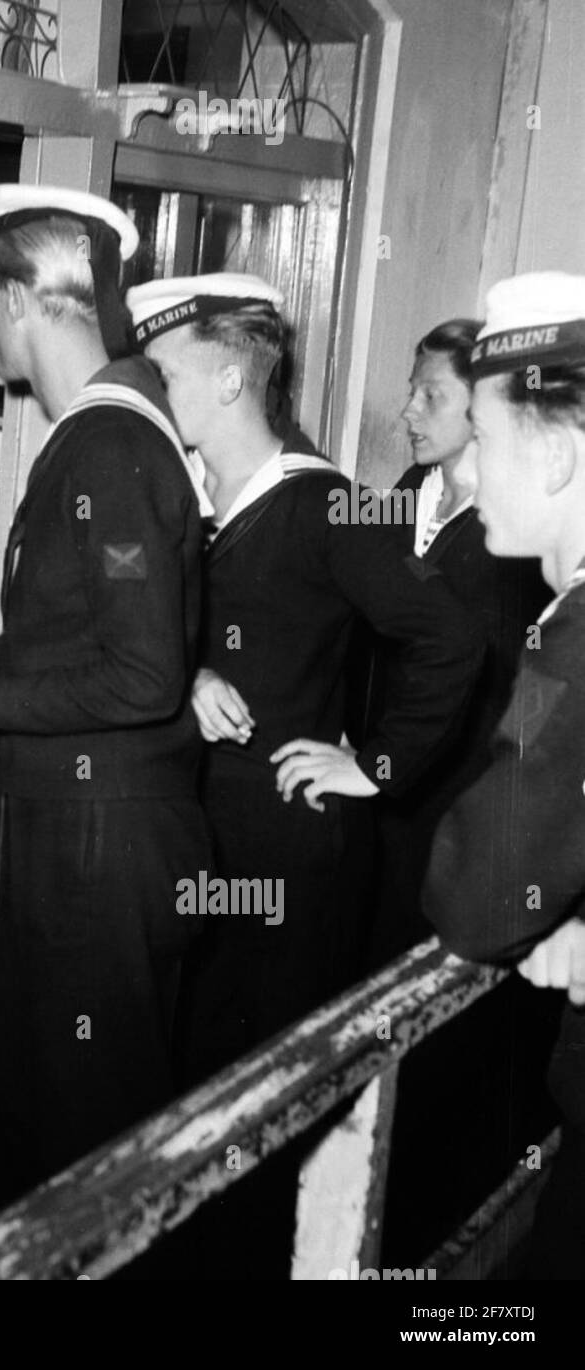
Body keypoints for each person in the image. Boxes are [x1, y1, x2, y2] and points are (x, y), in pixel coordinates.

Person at [0, 183, 213, 1211]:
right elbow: (113, 641)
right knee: (69, 1133)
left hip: (100, 851)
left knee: (84, 1153)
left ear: (22, 298)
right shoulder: (113, 427)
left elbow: (142, 673)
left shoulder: (107, 445)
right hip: (100, 835)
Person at [126, 273, 486, 1082]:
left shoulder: (327, 503)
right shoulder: (172, 492)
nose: (150, 390)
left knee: (260, 1090)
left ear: (228, 380)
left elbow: (450, 637)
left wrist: (374, 765)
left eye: (166, 373)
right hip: (189, 833)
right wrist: (189, 673)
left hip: (282, 851)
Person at [425, 270, 585, 1279]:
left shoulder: (570, 645)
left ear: (560, 457)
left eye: (480, 439)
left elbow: (473, 893)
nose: (469, 472)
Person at [364, 319, 551, 960]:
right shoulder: (409, 492)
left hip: (469, 790)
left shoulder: (516, 524)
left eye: (431, 396)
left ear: (483, 407)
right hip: (395, 776)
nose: (408, 411)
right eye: (411, 392)